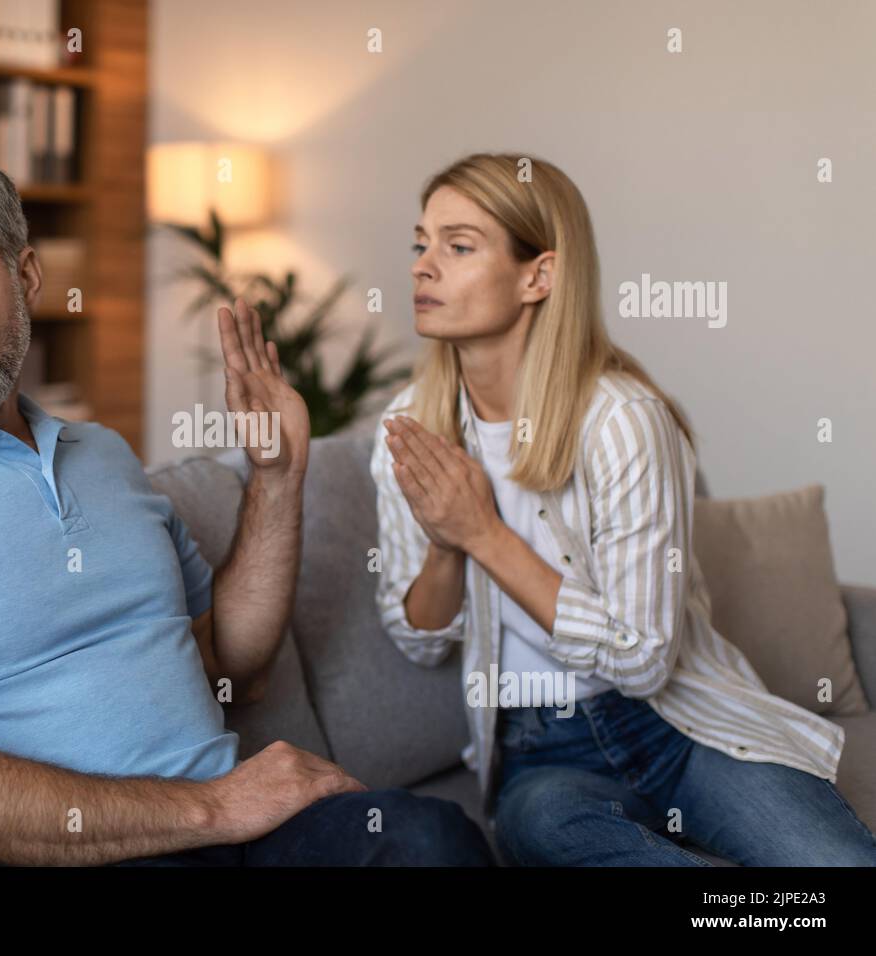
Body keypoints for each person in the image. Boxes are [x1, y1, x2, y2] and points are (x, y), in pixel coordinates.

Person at [0, 144, 494, 867]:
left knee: (432, 840)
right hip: (92, 853)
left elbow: (235, 669)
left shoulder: (104, 456)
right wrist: (215, 807)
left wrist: (277, 476)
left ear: (25, 276)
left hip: (241, 831)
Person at [371, 151, 876, 866]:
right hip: (542, 755)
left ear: (538, 276)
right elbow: (418, 638)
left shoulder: (623, 421)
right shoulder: (409, 424)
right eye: (420, 243)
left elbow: (641, 662)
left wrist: (483, 534)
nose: (423, 265)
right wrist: (446, 543)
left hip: (681, 726)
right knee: (546, 830)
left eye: (457, 246)